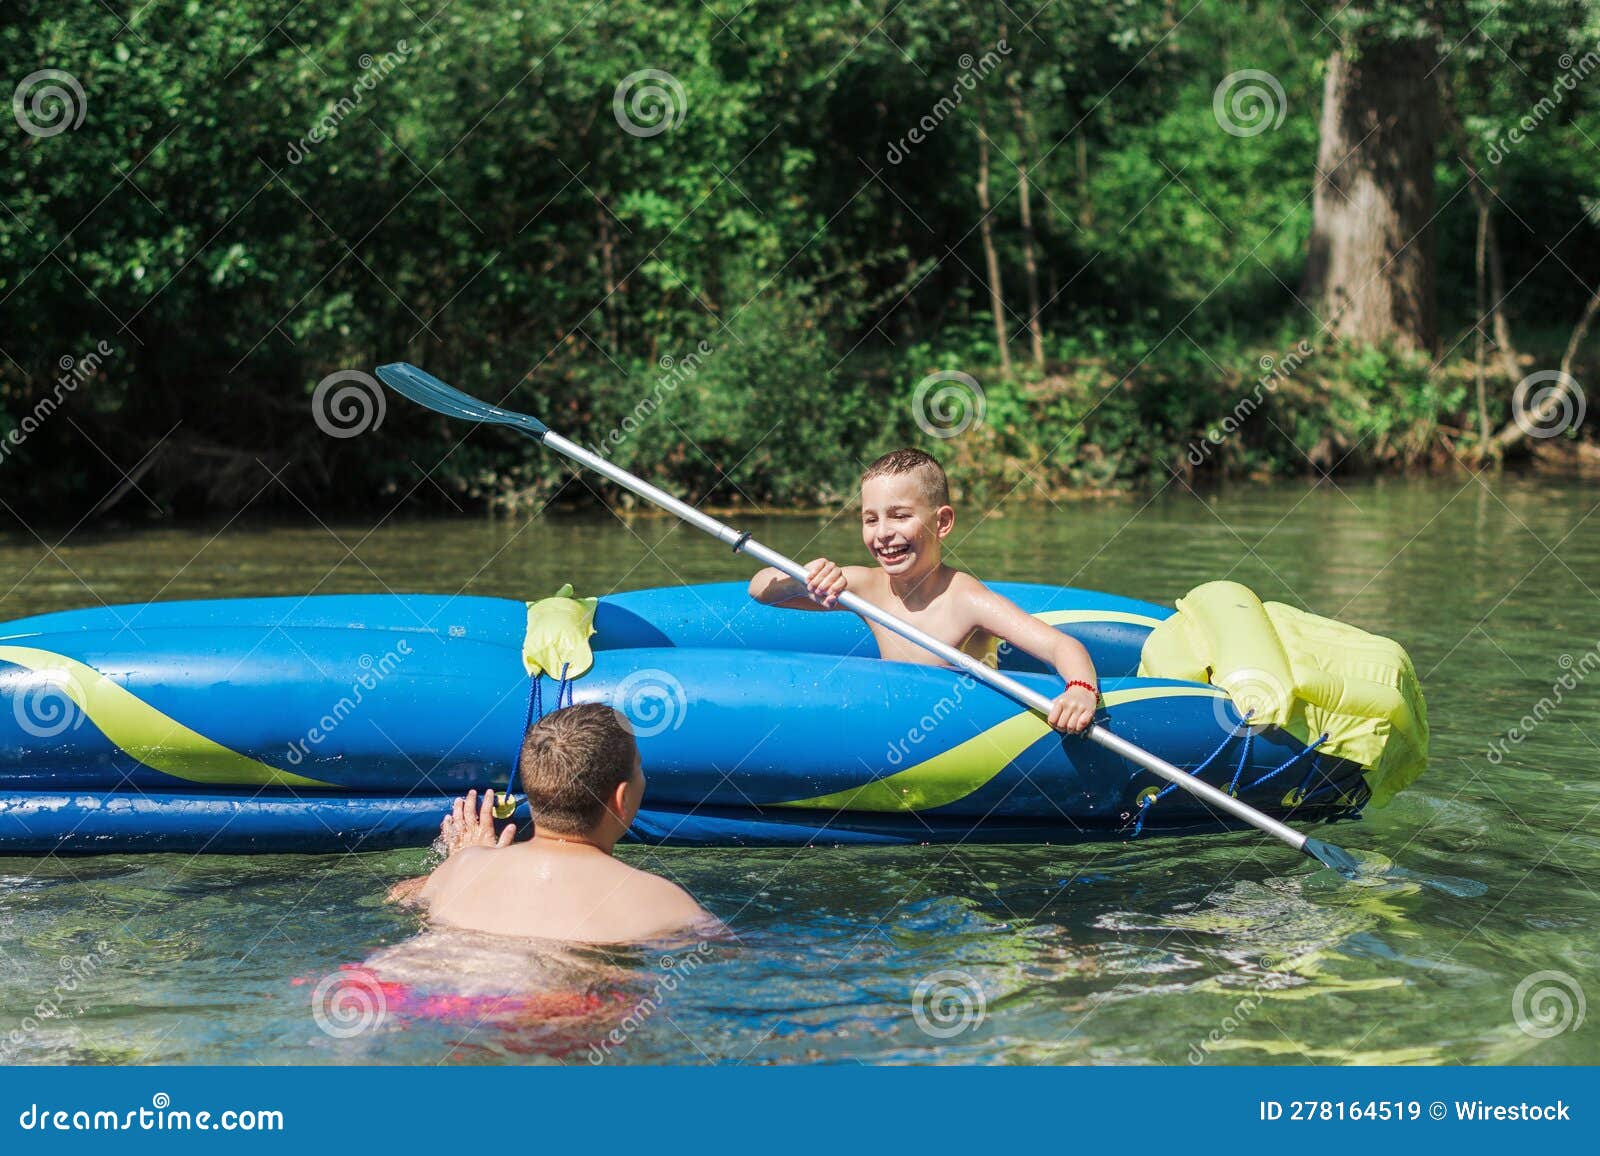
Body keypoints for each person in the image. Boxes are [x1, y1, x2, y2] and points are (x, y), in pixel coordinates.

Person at [748, 447, 1100, 733]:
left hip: (957, 732)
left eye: (900, 516)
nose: (883, 533)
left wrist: (1081, 690)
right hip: (892, 723)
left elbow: (1061, 646)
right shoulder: (867, 587)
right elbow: (760, 589)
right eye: (871, 520)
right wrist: (803, 577)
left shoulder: (967, 601)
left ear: (942, 522)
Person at [393, 703, 716, 944]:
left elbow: (397, 898)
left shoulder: (463, 868)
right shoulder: (662, 902)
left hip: (416, 987)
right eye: (639, 768)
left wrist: (472, 861)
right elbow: (730, 953)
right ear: (622, 797)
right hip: (552, 1014)